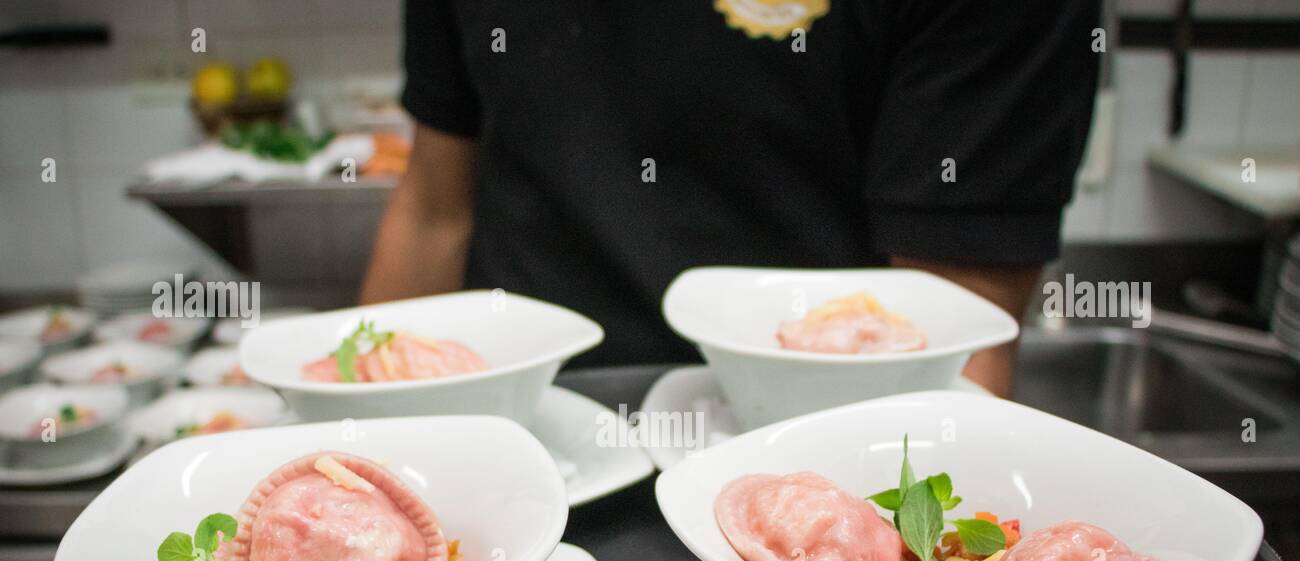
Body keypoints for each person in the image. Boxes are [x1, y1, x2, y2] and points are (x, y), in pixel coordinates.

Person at [360, 0, 1101, 396]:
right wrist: (349, 443)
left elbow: (957, 330)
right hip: (514, 446)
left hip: (815, 469)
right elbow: (433, 207)